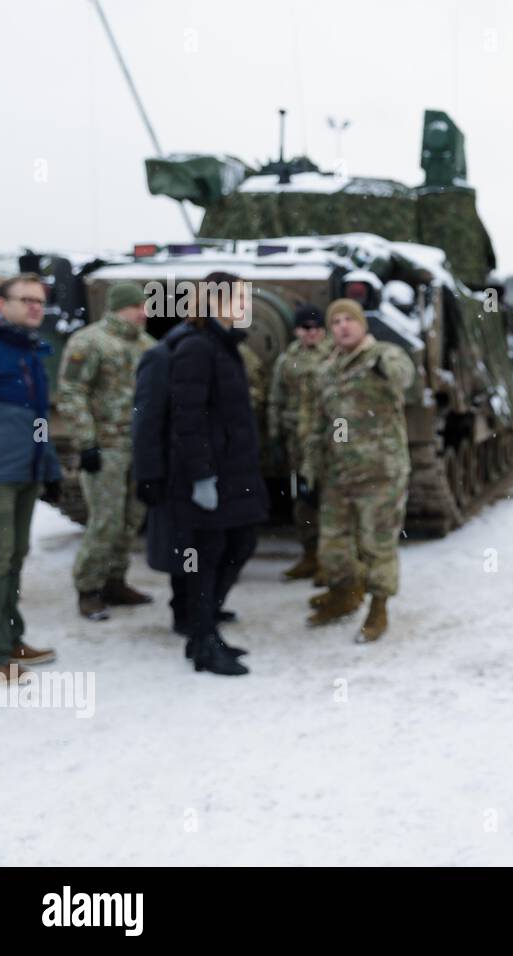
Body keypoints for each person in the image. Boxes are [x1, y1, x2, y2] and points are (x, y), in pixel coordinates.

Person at [166, 272, 268, 675]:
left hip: (234, 470)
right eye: (236, 298)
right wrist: (201, 476)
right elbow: (186, 419)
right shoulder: (196, 348)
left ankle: (203, 629)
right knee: (207, 558)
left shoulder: (226, 347)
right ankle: (203, 641)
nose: (244, 305)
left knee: (241, 543)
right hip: (210, 473)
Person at [302, 299, 415, 642]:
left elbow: (404, 374)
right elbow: (318, 422)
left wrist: (389, 367)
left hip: (380, 471)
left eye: (349, 319)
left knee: (376, 544)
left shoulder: (381, 356)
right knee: (333, 545)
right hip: (339, 472)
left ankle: (378, 607)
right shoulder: (326, 368)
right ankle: (344, 595)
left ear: (362, 325)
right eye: (335, 321)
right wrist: (310, 464)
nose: (342, 326)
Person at [56, 281, 156, 620]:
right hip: (105, 449)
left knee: (131, 520)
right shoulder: (89, 341)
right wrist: (86, 442)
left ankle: (116, 581)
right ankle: (89, 588)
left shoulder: (147, 346)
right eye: (140, 306)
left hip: (138, 448)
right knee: (106, 521)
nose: (146, 312)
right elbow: (71, 391)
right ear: (122, 306)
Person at [0, 275, 62, 680]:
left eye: (40, 301)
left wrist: (48, 466)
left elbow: (38, 419)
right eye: (26, 300)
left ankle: (9, 636)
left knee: (14, 557)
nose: (35, 307)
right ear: (1, 304)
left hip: (25, 470)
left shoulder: (29, 351)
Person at [267, 304, 331, 579]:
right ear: (296, 331)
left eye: (317, 328)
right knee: (304, 500)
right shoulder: (287, 360)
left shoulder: (334, 355)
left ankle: (332, 562)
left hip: (326, 440)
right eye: (306, 328)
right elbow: (276, 399)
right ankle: (310, 554)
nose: (312, 333)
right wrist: (275, 437)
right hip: (297, 440)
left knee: (330, 500)